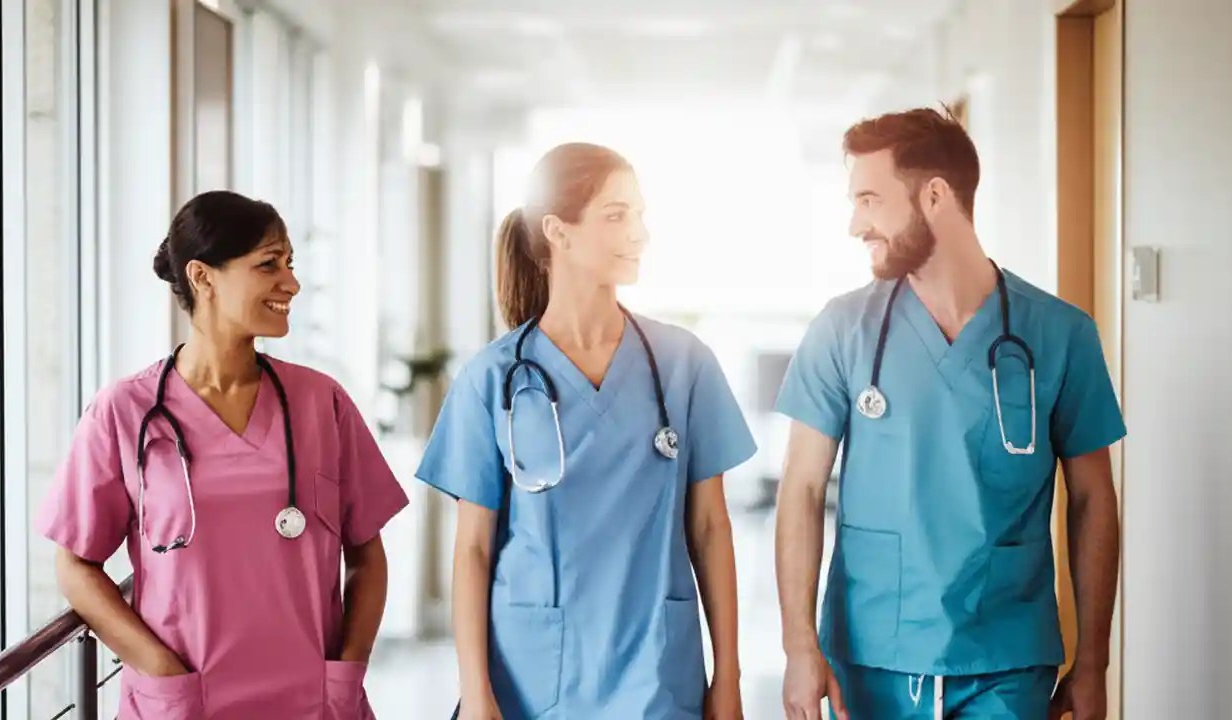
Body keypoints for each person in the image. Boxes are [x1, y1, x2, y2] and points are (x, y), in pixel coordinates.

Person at [774, 108, 1125, 720]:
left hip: (1006, 660)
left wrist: (1093, 663)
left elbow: (1094, 498)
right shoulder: (843, 330)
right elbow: (800, 490)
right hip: (872, 655)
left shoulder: (1062, 335)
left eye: (869, 199)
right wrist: (799, 647)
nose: (857, 224)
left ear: (934, 195)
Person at [416, 143, 756, 719]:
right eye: (617, 216)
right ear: (559, 231)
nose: (640, 233)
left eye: (640, 215)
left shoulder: (683, 363)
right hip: (530, 675)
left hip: (657, 671)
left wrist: (729, 677)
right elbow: (474, 549)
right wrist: (476, 693)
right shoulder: (494, 378)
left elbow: (710, 528)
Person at [38, 190, 409, 719]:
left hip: (313, 704)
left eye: (289, 263)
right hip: (187, 704)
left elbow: (368, 555)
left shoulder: (320, 402)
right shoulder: (125, 411)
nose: (291, 283)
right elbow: (76, 563)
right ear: (203, 277)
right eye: (268, 264)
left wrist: (348, 668)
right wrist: (157, 667)